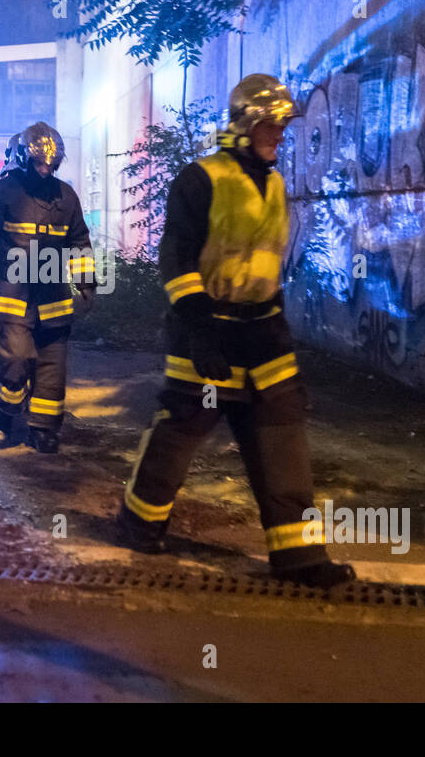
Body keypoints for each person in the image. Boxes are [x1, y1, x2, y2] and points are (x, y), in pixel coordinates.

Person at [114, 74, 357, 588]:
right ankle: (139, 521)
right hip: (207, 328)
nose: (280, 135)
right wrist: (198, 329)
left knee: (282, 432)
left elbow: (267, 265)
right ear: (246, 121)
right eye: (272, 124)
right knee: (184, 427)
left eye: (283, 126)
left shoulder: (273, 183)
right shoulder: (200, 178)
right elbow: (176, 258)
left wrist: (282, 332)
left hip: (264, 333)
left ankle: (300, 558)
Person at [0, 122, 95, 453]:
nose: (45, 170)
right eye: (39, 163)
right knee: (17, 361)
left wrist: (86, 281)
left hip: (53, 299)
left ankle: (43, 428)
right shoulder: (0, 194)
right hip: (12, 299)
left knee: (53, 368)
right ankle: (6, 417)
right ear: (24, 158)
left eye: (51, 165)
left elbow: (80, 240)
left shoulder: (65, 196)